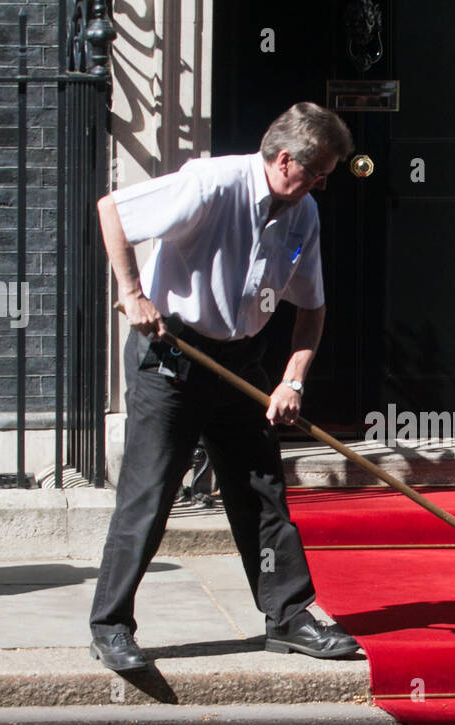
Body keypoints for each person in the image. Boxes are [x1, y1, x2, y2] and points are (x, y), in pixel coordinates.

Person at [88, 102, 360, 672]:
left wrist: (293, 381)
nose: (322, 184)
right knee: (150, 492)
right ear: (285, 160)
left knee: (261, 489)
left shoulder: (302, 211)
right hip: (172, 355)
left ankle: (288, 617)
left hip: (242, 363)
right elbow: (112, 210)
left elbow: (312, 309)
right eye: (318, 173)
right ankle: (111, 626)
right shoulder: (210, 184)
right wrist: (133, 292)